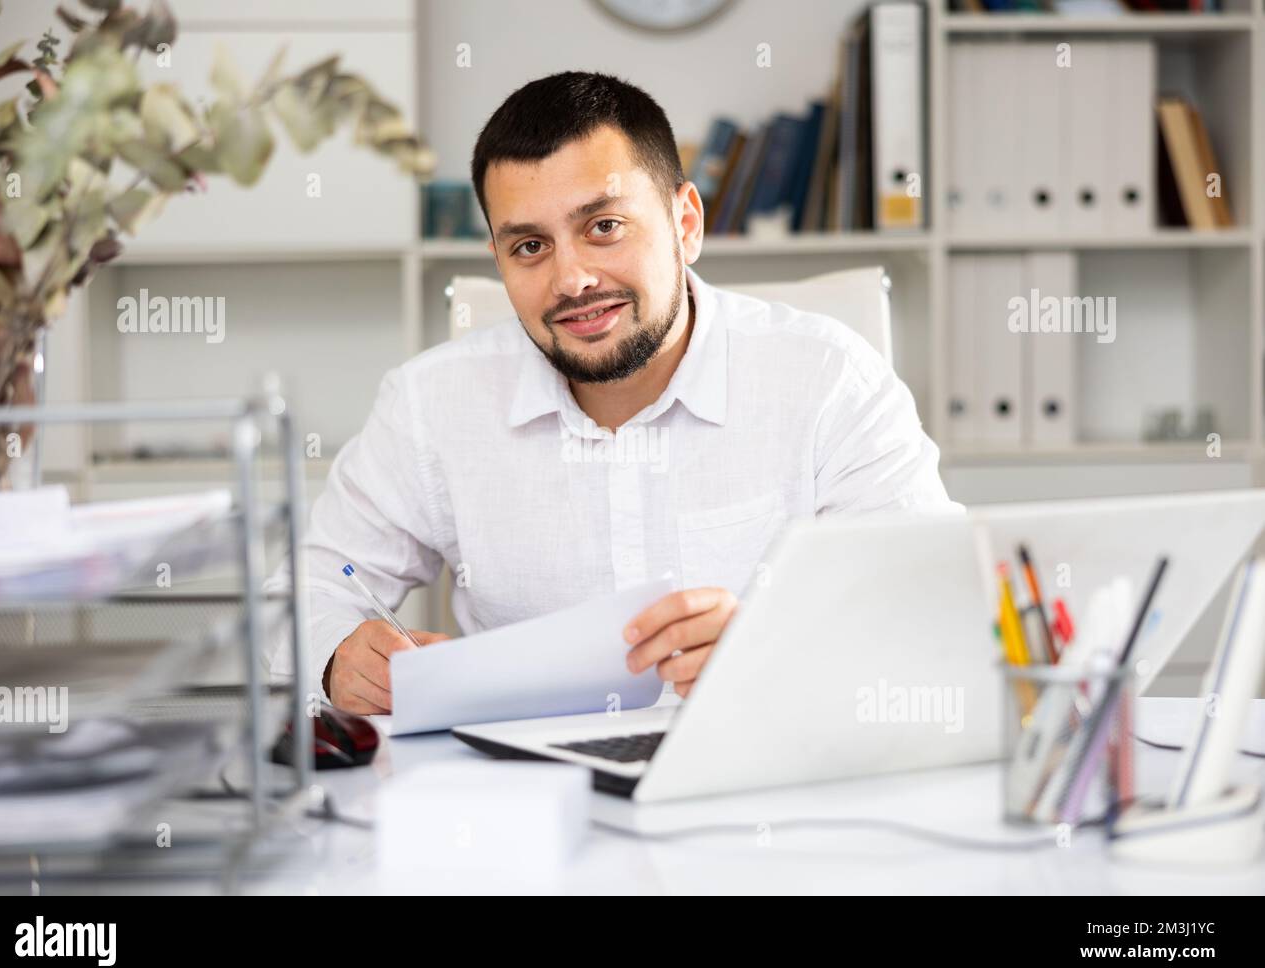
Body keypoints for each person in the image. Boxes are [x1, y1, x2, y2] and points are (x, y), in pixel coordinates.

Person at [267, 71, 959, 714]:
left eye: (603, 227)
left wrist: (775, 651)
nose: (571, 280)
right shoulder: (432, 403)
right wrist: (335, 657)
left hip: (767, 787)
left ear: (686, 223)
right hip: (526, 804)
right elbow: (303, 595)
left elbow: (933, 604)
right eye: (530, 246)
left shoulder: (828, 379)